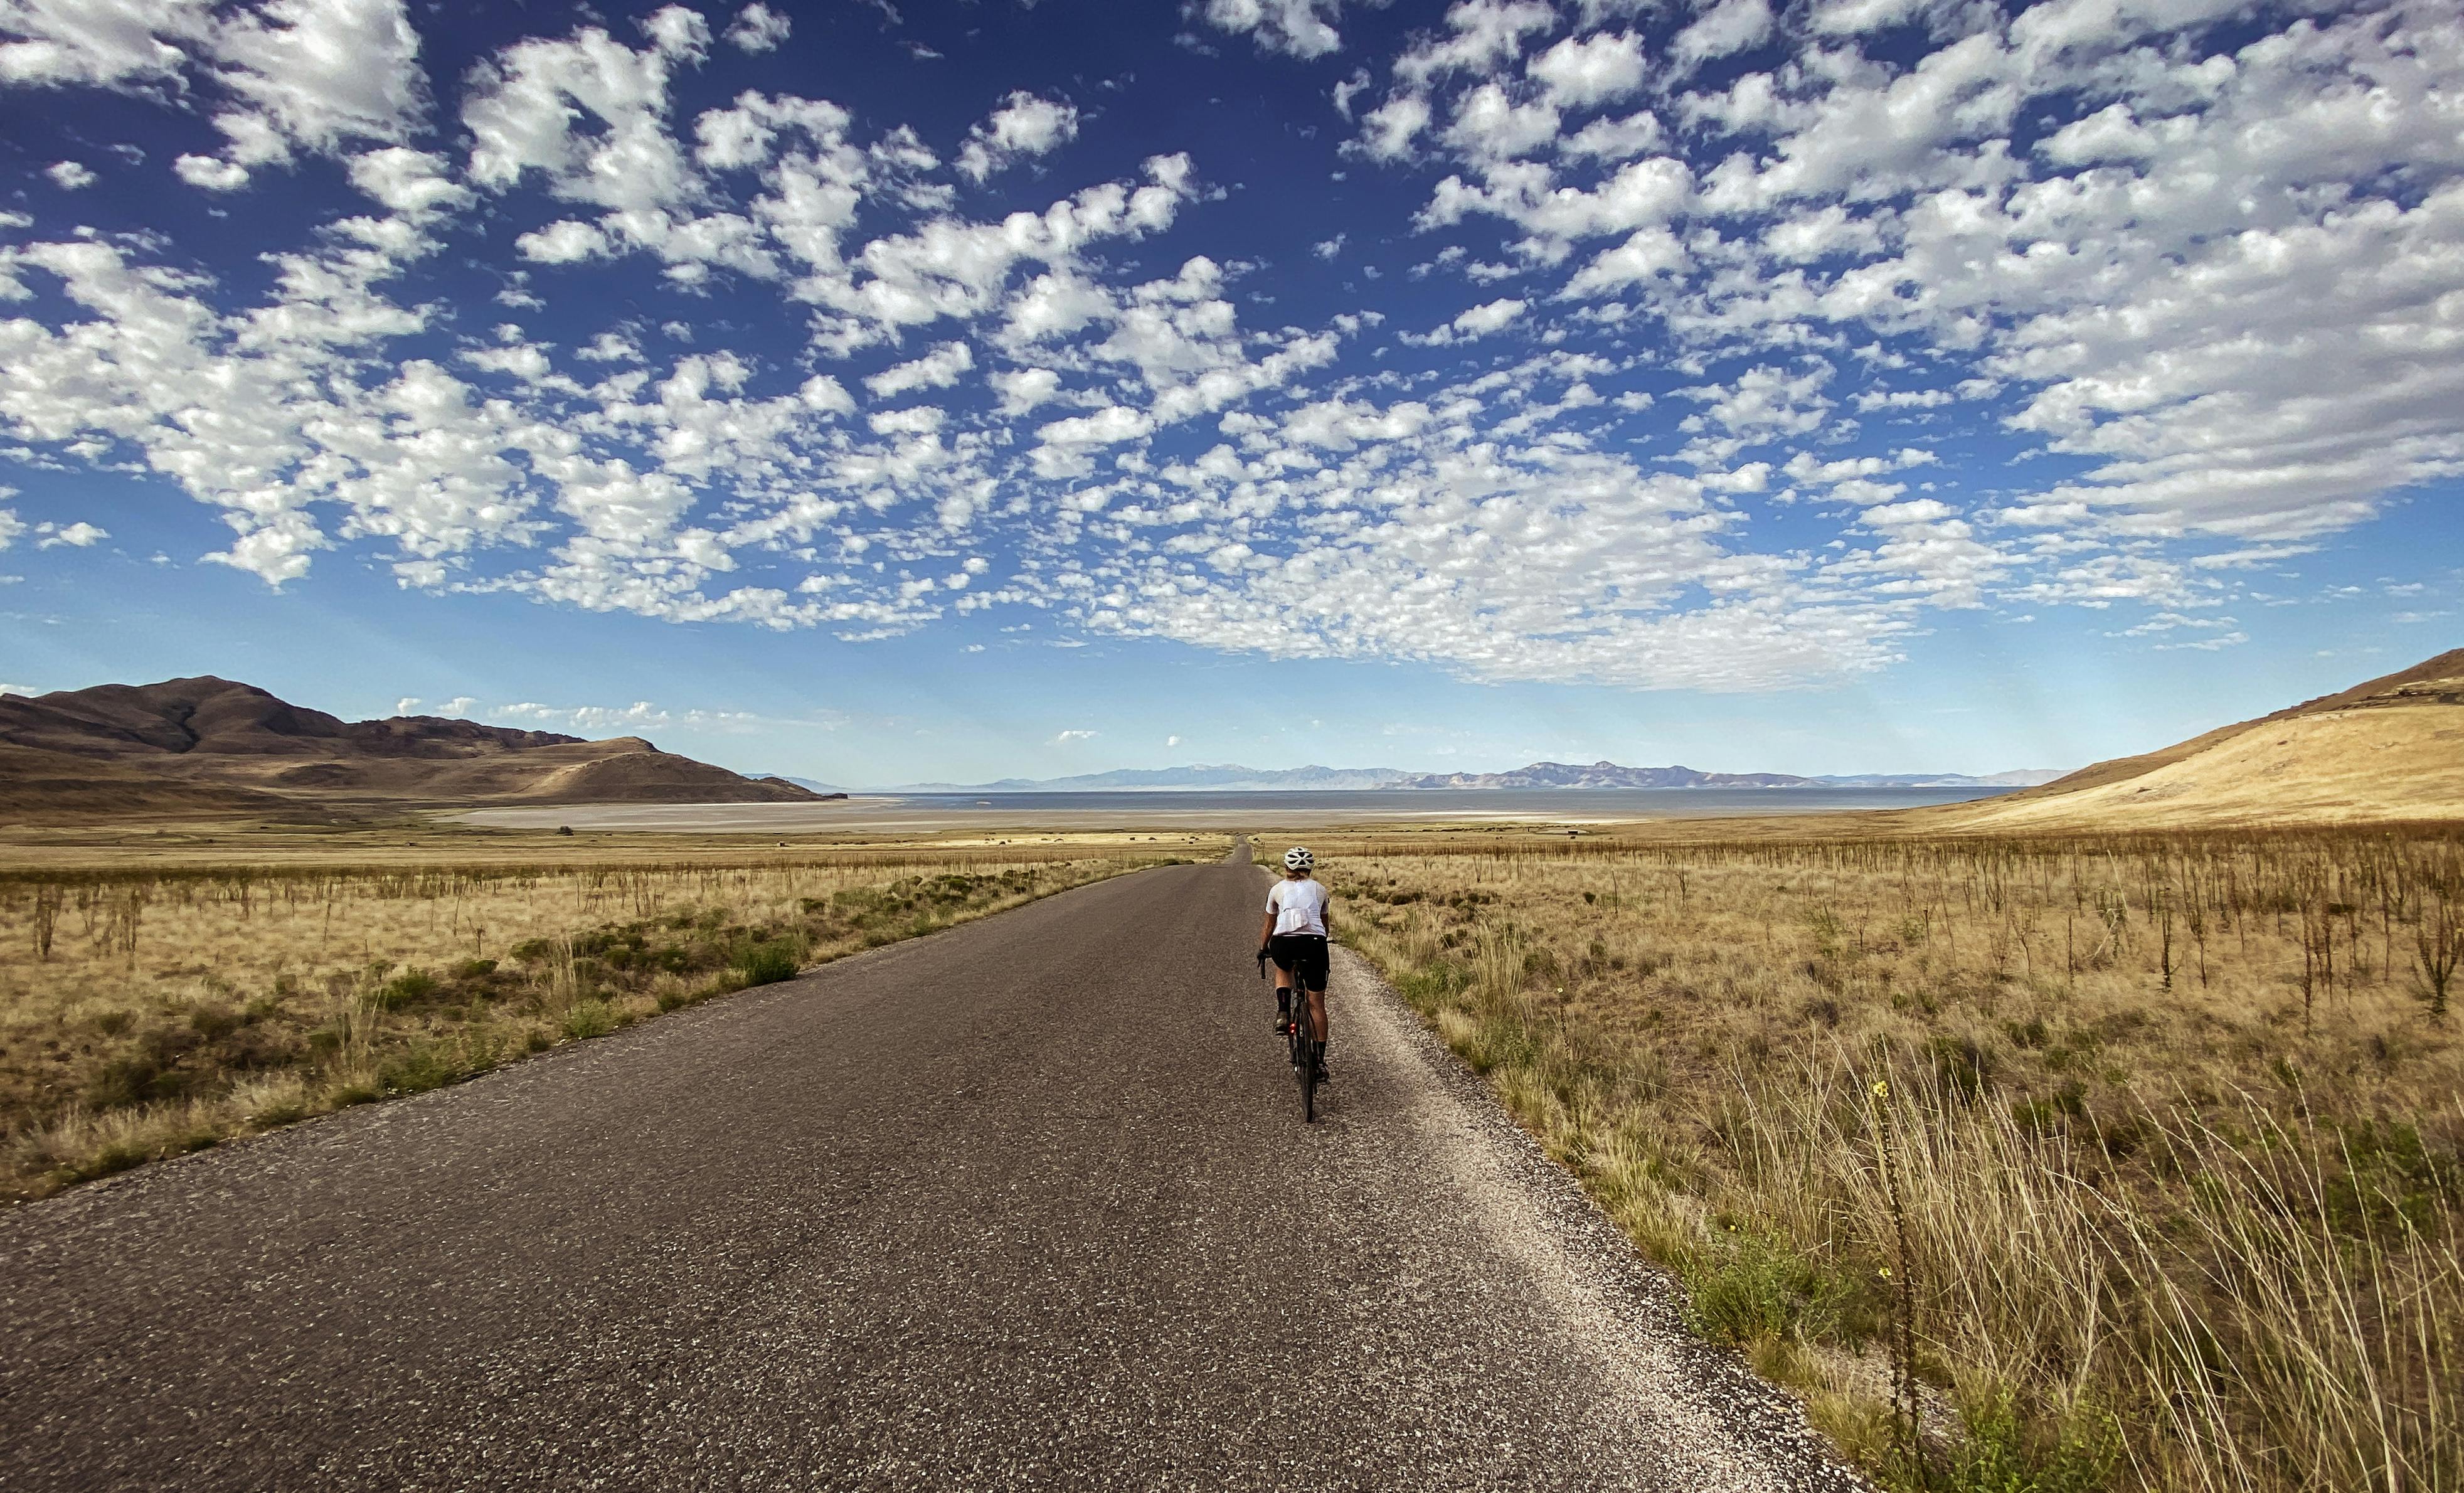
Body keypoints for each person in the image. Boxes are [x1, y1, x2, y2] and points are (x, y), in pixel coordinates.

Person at [1259, 845, 1333, 1078]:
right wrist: (1322, 940)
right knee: (1317, 1005)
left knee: (1283, 967)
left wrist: (1263, 949)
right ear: (1310, 868)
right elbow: (1324, 924)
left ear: (1286, 868)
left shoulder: (1277, 890)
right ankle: (1319, 1062)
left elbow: (1270, 925)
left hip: (1284, 943)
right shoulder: (1320, 890)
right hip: (1314, 944)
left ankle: (1283, 1011)